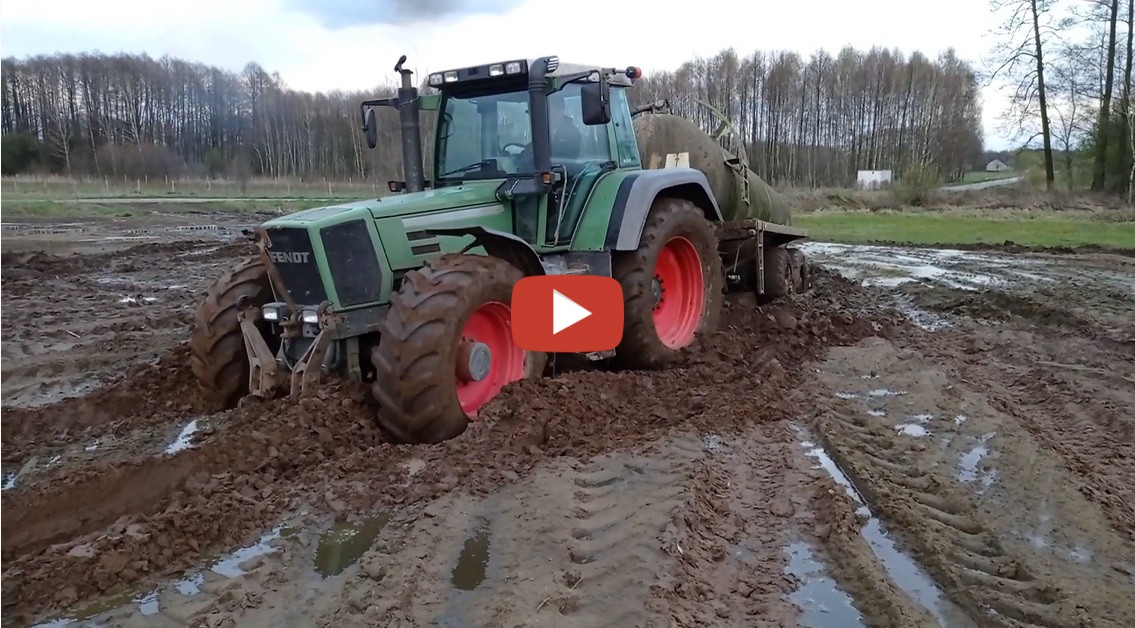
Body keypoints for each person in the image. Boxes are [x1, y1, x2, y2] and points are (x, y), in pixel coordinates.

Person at [548, 95, 582, 160]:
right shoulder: (542, 130)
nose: (552, 114)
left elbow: (567, 159)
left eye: (555, 110)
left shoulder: (573, 134)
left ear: (562, 110)